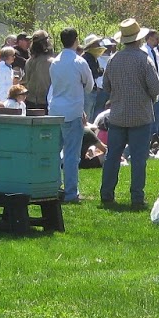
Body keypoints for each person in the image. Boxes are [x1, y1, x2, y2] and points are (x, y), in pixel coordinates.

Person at [99, 19, 159, 208]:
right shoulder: (144, 60)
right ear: (139, 39)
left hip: (117, 115)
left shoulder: (113, 59)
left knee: (112, 157)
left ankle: (106, 193)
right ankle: (136, 197)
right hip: (140, 116)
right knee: (138, 158)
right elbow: (156, 86)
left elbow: (106, 86)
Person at [48, 26, 95, 202]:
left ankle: (52, 186)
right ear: (76, 40)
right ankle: (70, 192)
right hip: (72, 111)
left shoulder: (55, 62)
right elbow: (89, 86)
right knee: (71, 154)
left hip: (55, 110)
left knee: (53, 152)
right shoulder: (79, 62)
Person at [21, 30, 55, 112]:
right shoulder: (52, 62)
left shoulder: (29, 61)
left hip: (30, 102)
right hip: (45, 102)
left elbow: (25, 81)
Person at [81, 34, 106, 122]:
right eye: (96, 43)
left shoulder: (92, 57)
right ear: (91, 45)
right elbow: (96, 72)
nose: (99, 45)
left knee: (90, 116)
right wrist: (100, 71)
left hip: (92, 90)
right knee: (87, 117)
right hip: (87, 91)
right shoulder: (87, 58)